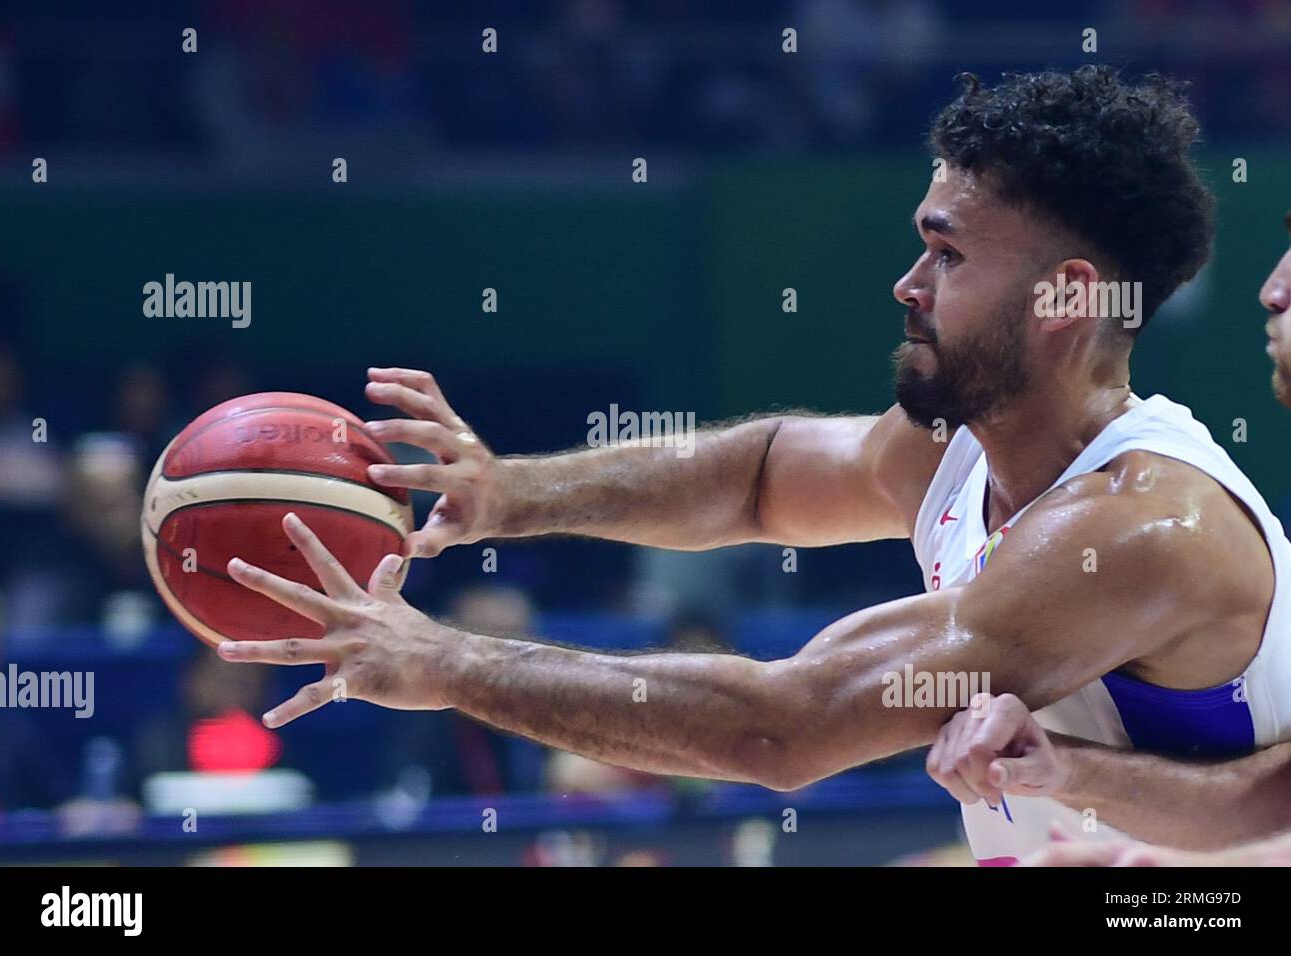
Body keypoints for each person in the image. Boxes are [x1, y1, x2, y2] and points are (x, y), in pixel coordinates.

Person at [217, 67, 1290, 865]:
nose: (907, 283)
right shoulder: (954, 448)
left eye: (949, 253)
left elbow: (786, 723)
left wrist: (443, 663)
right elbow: (757, 474)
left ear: (1064, 297)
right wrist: (510, 492)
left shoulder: (1138, 531)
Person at [924, 218, 1291, 865]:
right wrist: (1066, 771)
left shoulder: (1162, 510)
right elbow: (1268, 800)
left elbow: (786, 728)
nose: (1272, 289)